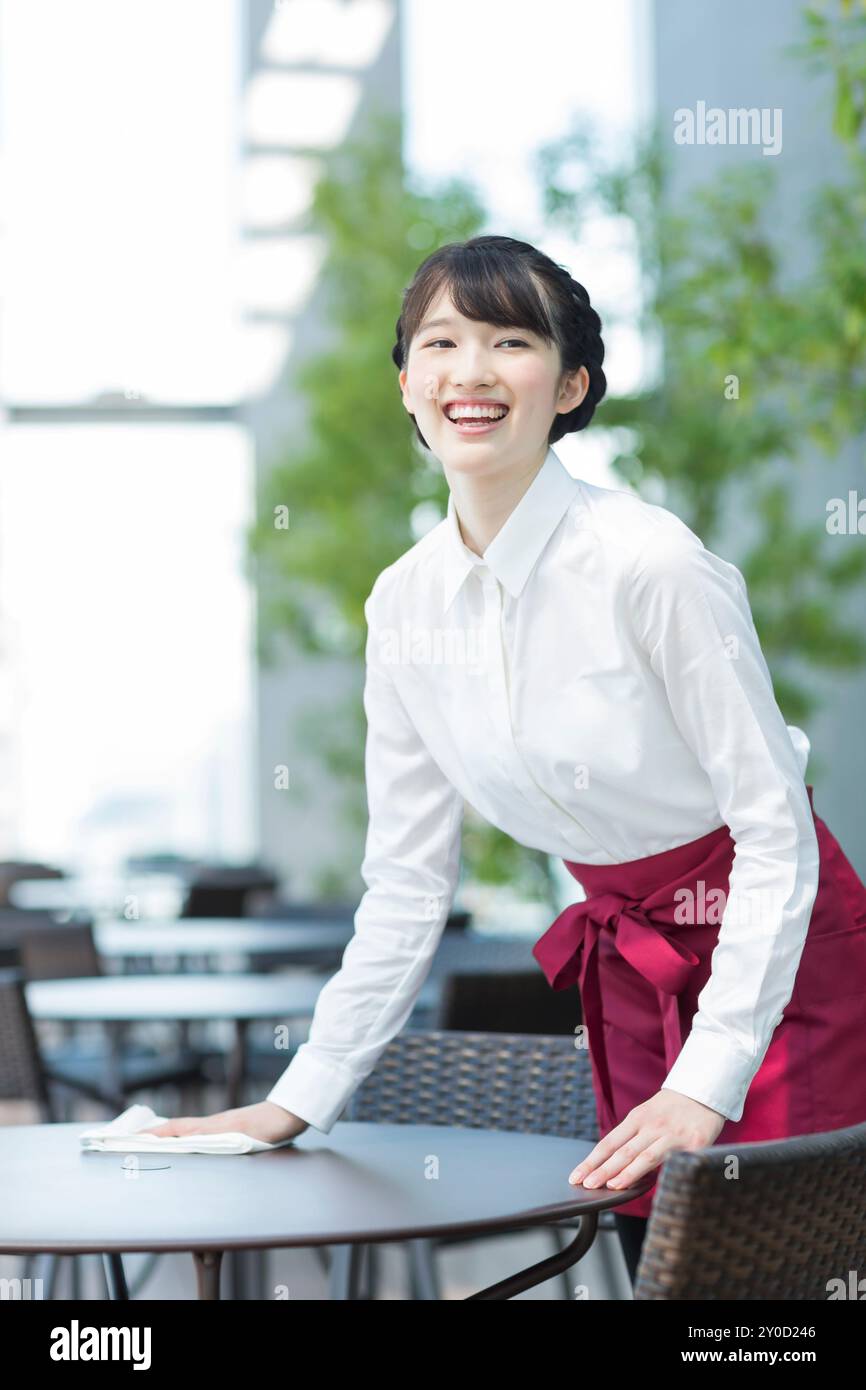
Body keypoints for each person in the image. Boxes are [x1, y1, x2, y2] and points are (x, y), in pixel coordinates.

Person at [144, 234, 866, 1290]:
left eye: (510, 340)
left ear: (568, 384)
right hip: (626, 964)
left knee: (773, 1311)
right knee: (655, 1281)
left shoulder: (648, 563)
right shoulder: (402, 604)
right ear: (406, 386)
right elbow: (406, 884)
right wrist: (300, 1094)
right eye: (440, 342)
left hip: (779, 952)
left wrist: (707, 1078)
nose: (469, 370)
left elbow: (771, 829)